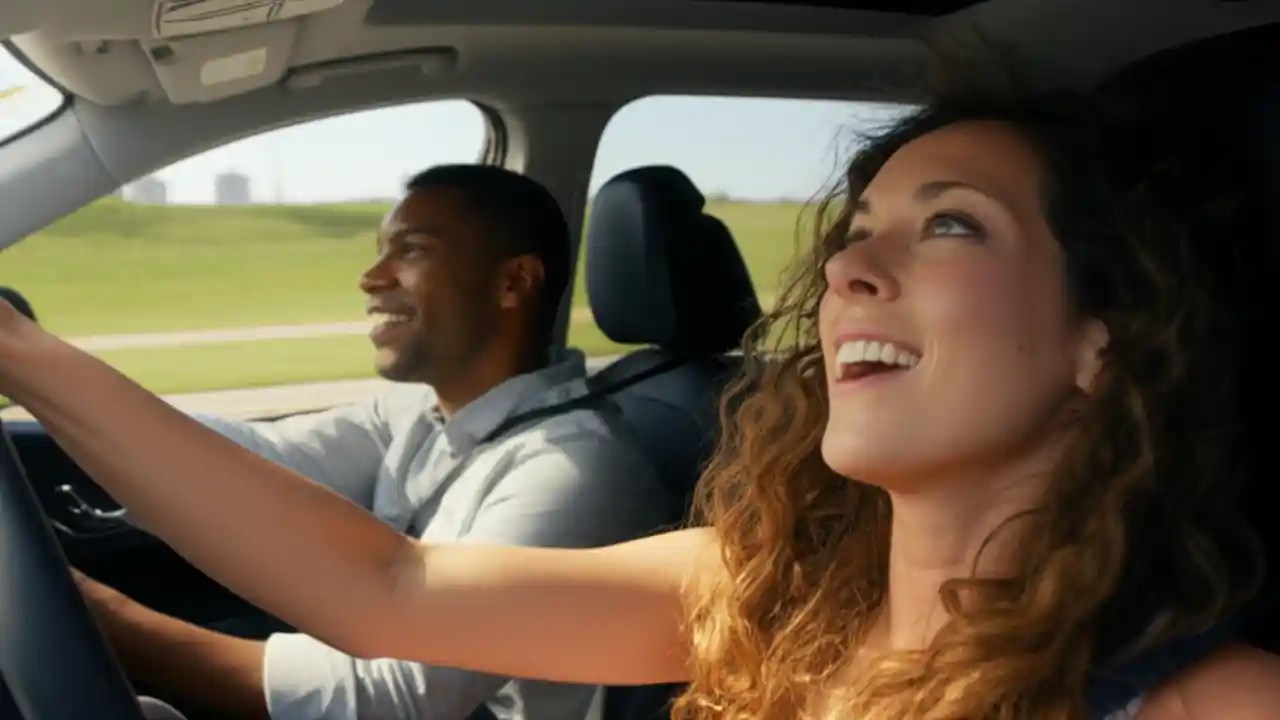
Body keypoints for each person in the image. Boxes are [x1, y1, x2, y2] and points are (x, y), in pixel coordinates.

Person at [4, 88, 1280, 720]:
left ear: (1097, 348)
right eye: (855, 230)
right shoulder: (759, 590)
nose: (845, 268)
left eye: (950, 225)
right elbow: (376, 590)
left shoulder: (1207, 701)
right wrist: (30, 360)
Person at [63, 164, 676, 720]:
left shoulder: (576, 467)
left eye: (410, 250)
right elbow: (253, 458)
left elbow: (399, 694)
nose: (370, 278)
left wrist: (115, 625)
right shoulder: (419, 414)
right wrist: (63, 405)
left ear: (515, 282)